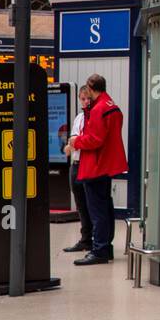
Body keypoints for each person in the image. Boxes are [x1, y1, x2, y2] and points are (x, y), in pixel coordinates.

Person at [67, 74, 127, 265]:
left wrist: (77, 141)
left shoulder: (99, 109)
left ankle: (99, 249)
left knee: (97, 209)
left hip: (95, 165)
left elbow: (95, 139)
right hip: (106, 164)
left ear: (91, 88)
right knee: (106, 206)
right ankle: (105, 247)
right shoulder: (112, 105)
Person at [62, 85, 94, 254]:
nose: (85, 102)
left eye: (88, 98)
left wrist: (73, 143)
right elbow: (73, 139)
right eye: (82, 99)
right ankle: (85, 239)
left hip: (88, 164)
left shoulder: (94, 118)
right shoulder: (79, 118)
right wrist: (71, 143)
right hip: (76, 164)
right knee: (80, 204)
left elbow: (77, 141)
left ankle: (96, 240)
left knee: (92, 204)